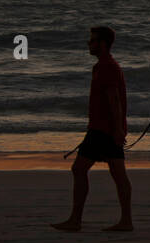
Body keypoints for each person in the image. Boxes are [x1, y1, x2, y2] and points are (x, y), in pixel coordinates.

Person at [51, 26, 133, 232]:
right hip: (103, 129)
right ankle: (126, 221)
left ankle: (76, 220)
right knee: (118, 174)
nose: (89, 44)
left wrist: (117, 130)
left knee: (79, 169)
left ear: (103, 44)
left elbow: (114, 100)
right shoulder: (101, 66)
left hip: (102, 131)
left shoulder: (108, 67)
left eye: (93, 41)